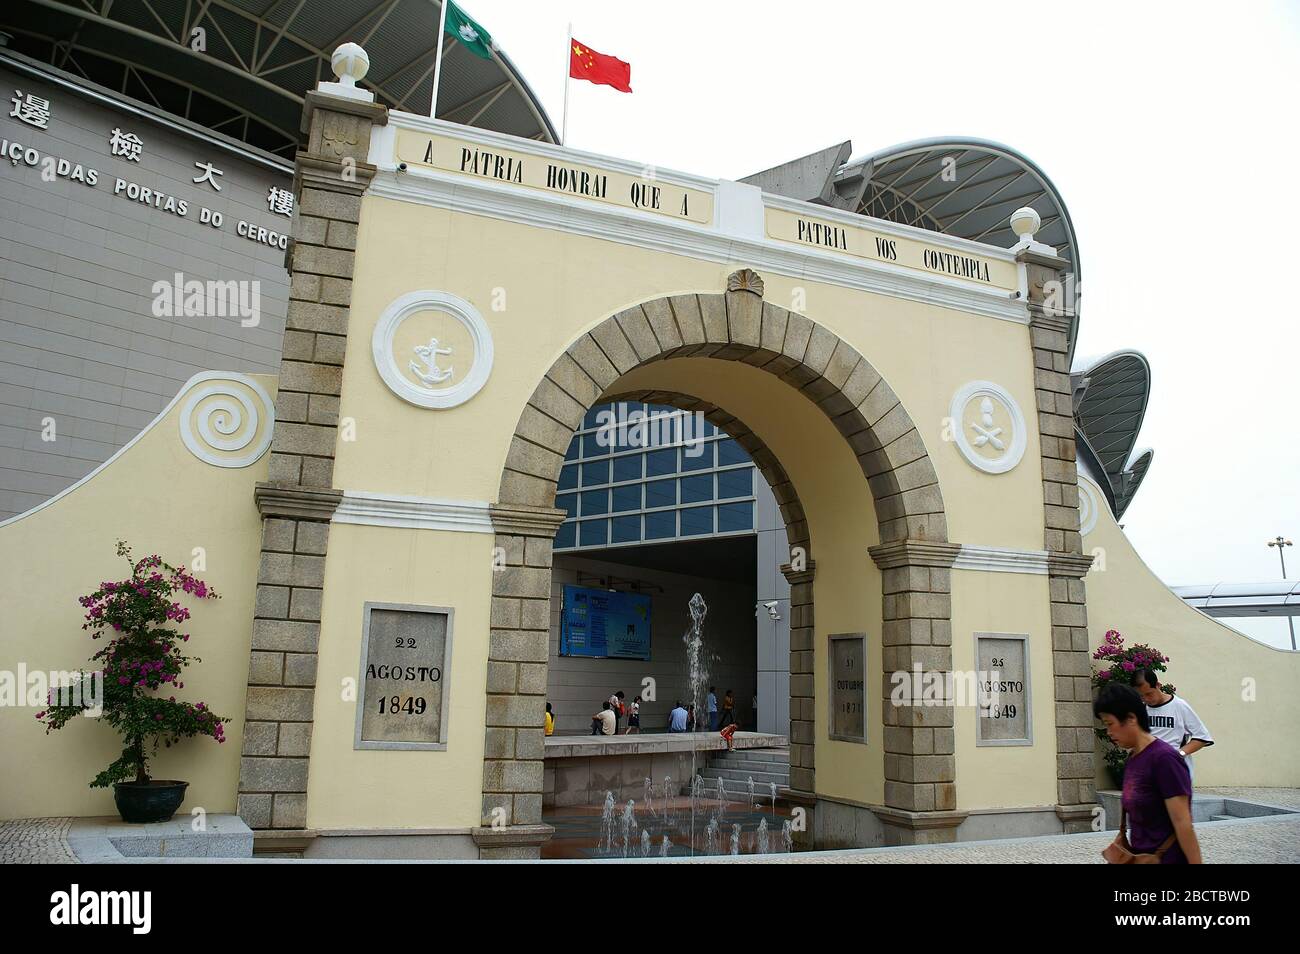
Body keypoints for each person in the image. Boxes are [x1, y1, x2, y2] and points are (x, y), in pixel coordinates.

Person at [1094, 682, 1201, 864]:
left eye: (1110, 724)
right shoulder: (1133, 759)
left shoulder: (1165, 759)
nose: (1109, 732)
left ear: (1131, 719)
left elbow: (1183, 823)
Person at [1134, 669, 1213, 784]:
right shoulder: (1141, 710)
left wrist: (1178, 755)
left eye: (1149, 694)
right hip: (1149, 773)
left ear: (1158, 685)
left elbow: (1202, 738)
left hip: (1175, 772)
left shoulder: (1179, 706)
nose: (1146, 699)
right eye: (1141, 696)